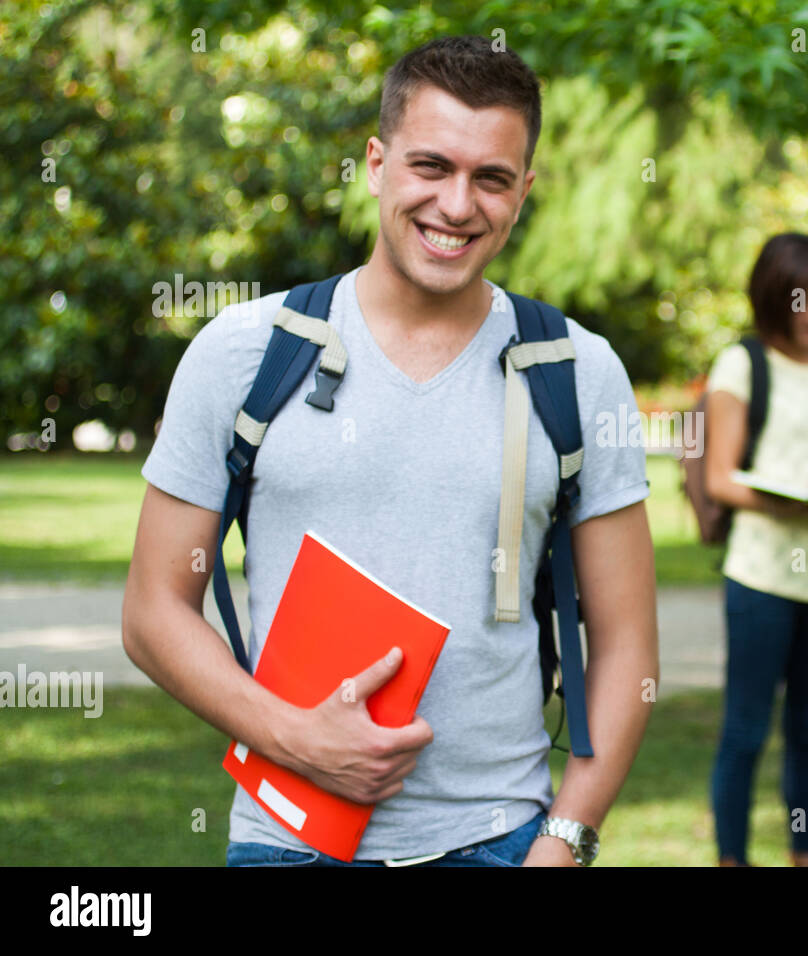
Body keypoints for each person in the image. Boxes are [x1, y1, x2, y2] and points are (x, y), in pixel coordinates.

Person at [121, 35, 658, 867]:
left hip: (503, 843)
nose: (457, 205)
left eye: (491, 178)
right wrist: (295, 738)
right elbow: (154, 612)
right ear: (376, 163)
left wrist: (565, 840)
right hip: (287, 842)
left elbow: (627, 646)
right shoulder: (246, 353)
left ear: (524, 190)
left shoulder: (576, 371)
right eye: (430, 167)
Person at [702, 233, 808, 866]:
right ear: (773, 300)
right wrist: (792, 502)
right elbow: (721, 478)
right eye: (803, 302)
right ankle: (733, 858)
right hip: (762, 577)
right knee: (746, 732)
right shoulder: (742, 365)